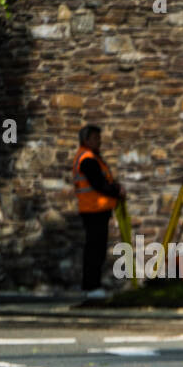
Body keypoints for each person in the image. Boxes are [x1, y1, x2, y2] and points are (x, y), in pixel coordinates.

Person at [71, 124, 125, 299]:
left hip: (95, 209)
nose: (99, 141)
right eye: (95, 138)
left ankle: (91, 285)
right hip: (94, 209)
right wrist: (116, 191)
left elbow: (102, 181)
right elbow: (99, 184)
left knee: (95, 247)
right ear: (86, 140)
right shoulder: (88, 159)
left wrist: (114, 187)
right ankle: (92, 286)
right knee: (96, 249)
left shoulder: (91, 157)